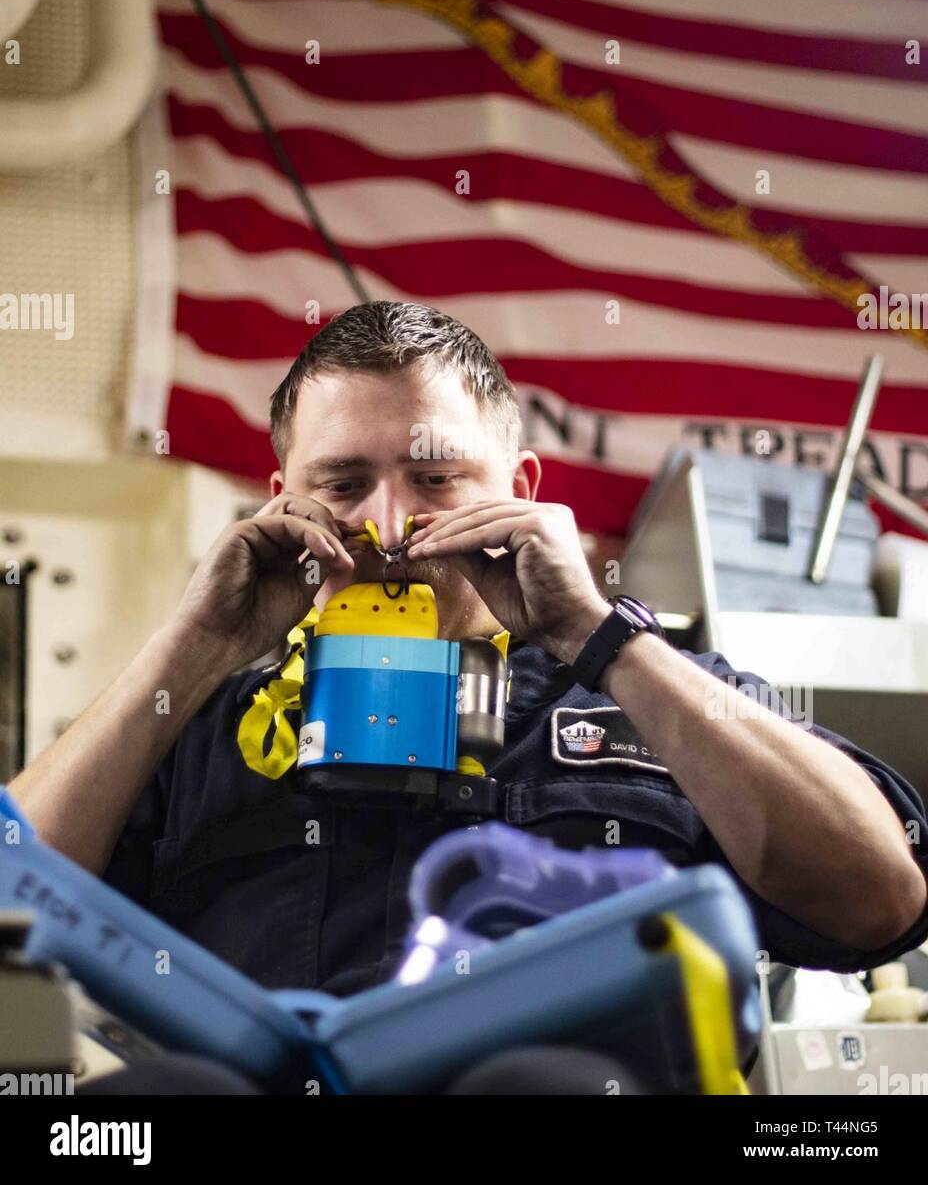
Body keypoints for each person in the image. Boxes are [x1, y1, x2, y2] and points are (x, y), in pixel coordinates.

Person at [9, 302, 928, 1007]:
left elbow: (879, 899)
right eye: (342, 483)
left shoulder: (660, 701)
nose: (388, 525)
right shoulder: (199, 734)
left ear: (523, 492)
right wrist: (191, 650)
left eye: (436, 478)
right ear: (280, 498)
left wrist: (598, 638)